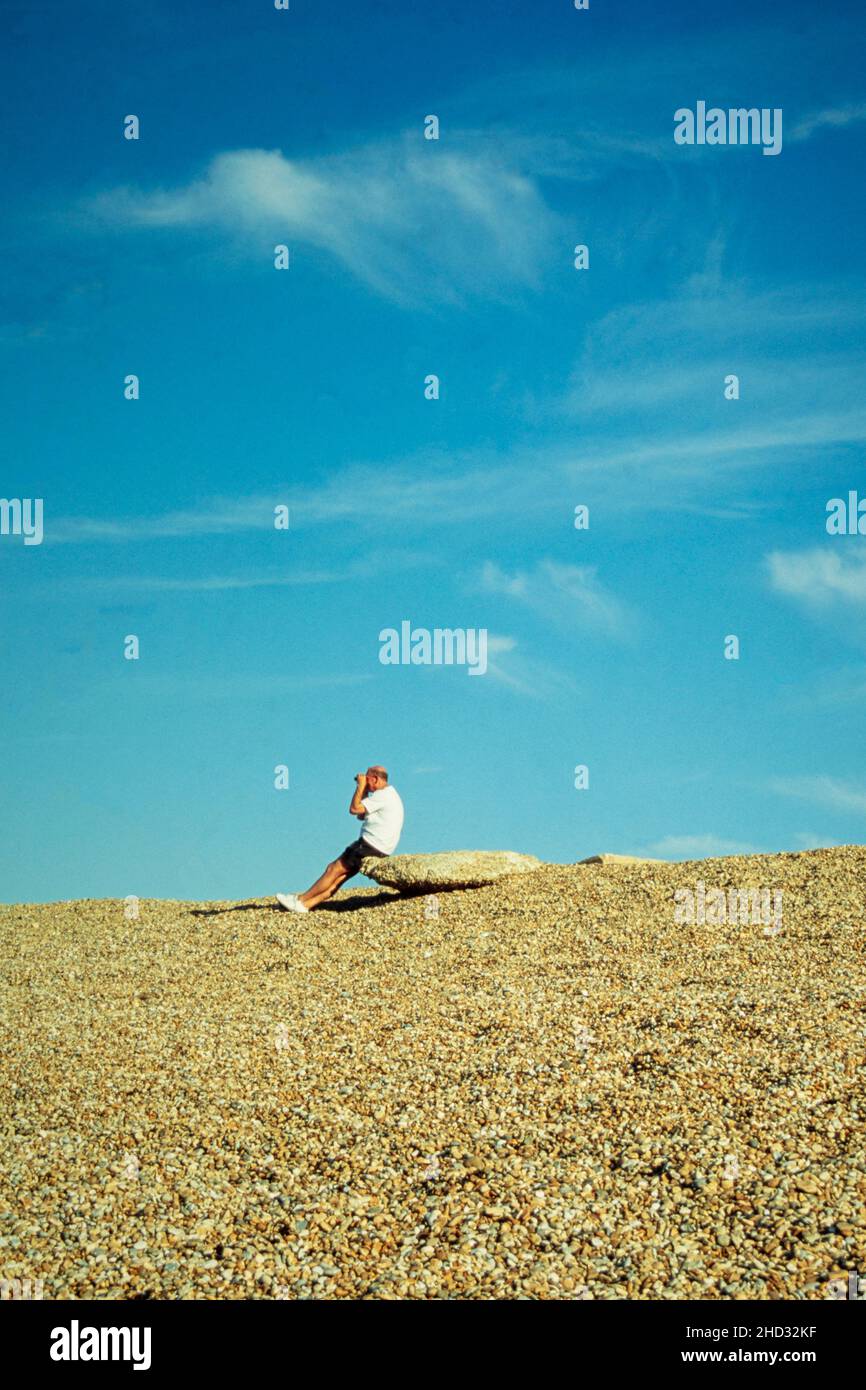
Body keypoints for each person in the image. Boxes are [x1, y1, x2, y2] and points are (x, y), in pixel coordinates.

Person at [276, 766, 404, 913]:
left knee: (333, 869)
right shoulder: (388, 795)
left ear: (375, 779)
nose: (365, 782)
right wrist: (363, 790)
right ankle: (306, 906)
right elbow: (361, 816)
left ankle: (301, 900)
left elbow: (354, 809)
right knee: (339, 878)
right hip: (381, 847)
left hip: (370, 844)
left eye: (367, 779)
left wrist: (360, 786)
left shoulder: (383, 795)